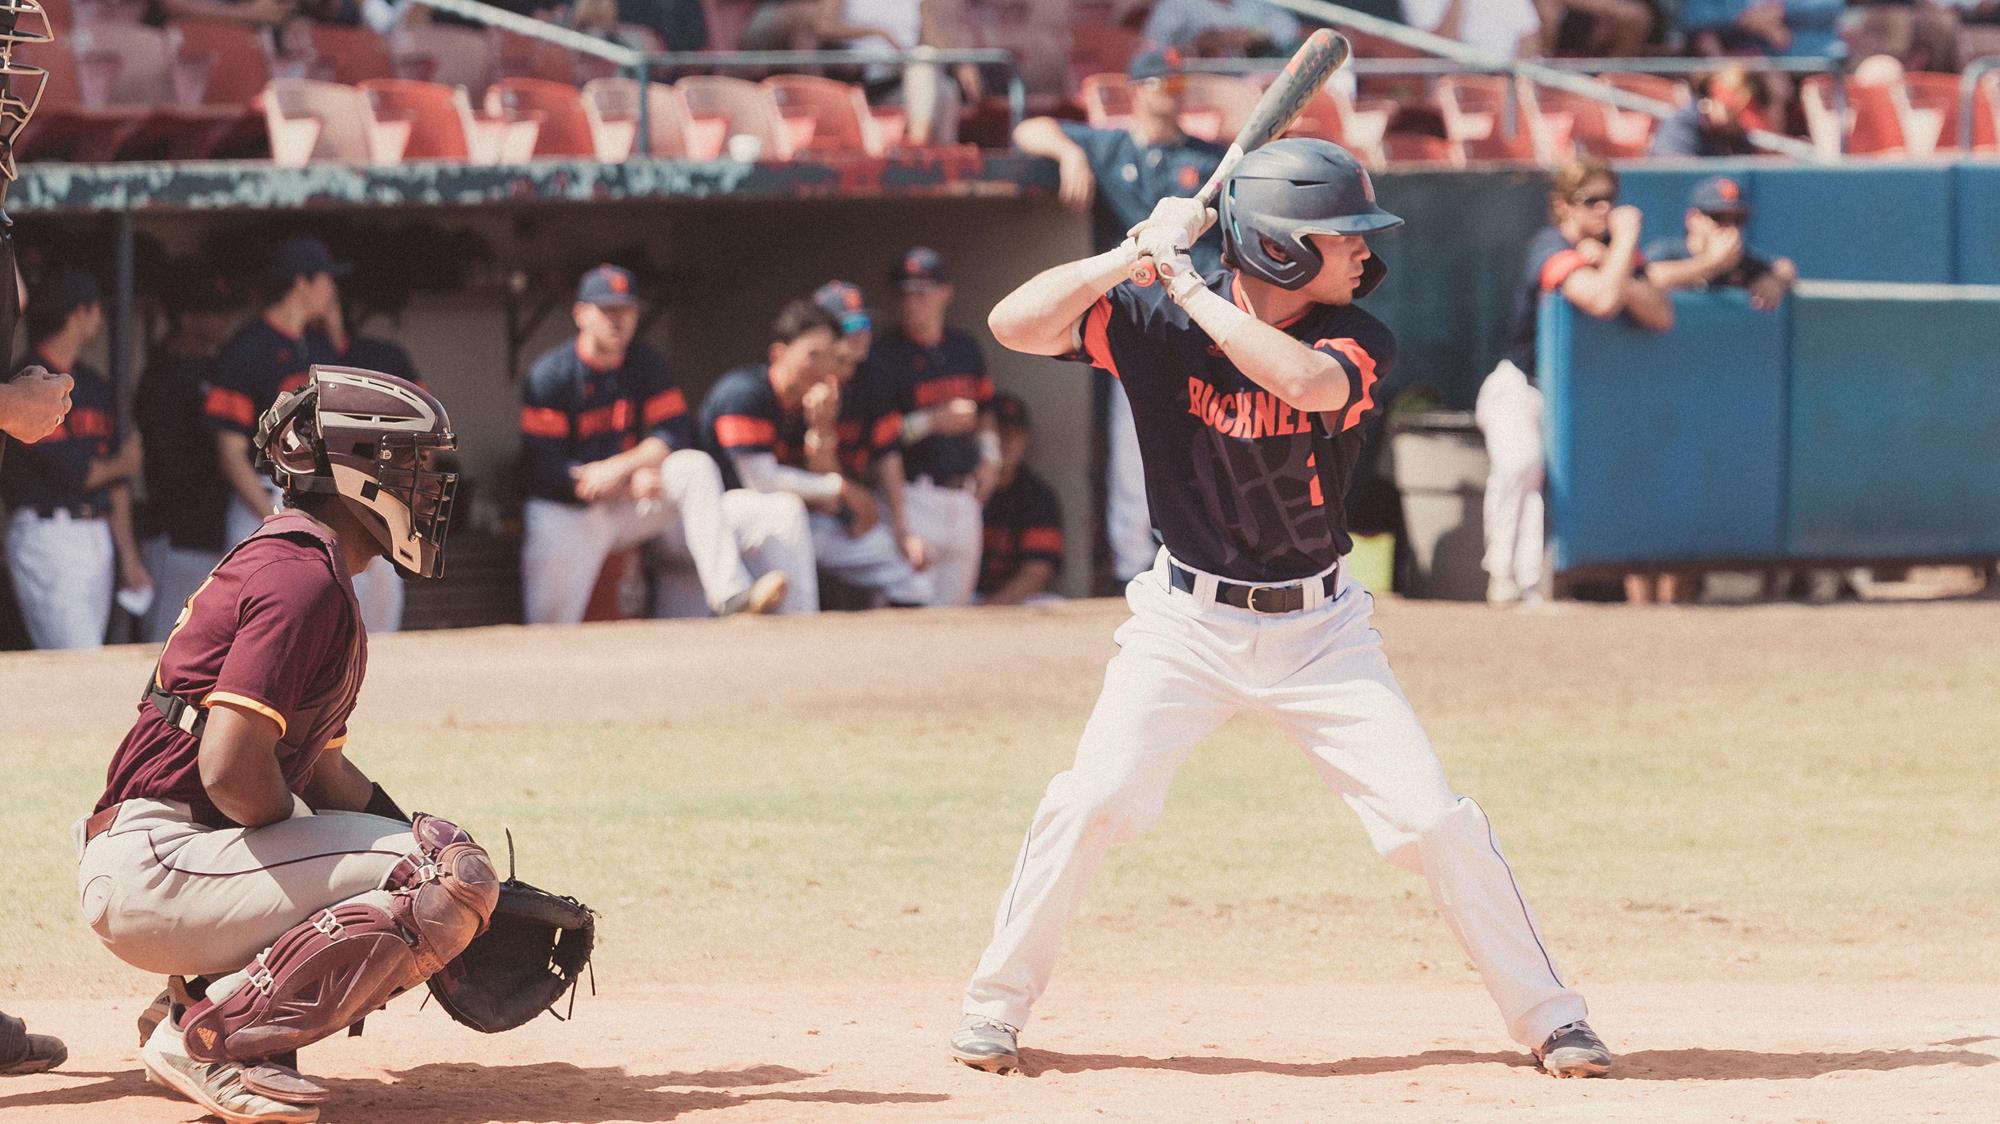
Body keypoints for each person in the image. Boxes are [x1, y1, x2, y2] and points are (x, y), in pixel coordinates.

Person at [951, 137, 1612, 1080]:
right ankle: (993, 1007)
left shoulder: (1356, 337)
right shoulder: (1149, 318)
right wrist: (1133, 254)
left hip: (1321, 631)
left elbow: (1301, 383)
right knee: (1092, 798)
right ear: (1276, 246)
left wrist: (1184, 287)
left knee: (1433, 822)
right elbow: (1014, 323)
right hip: (1185, 623)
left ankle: (1553, 1017)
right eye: (1340, 237)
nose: (1362, 253)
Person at [74, 366, 501, 1124]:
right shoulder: (301, 578)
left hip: (169, 859)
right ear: (357, 473)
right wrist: (440, 887)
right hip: (160, 862)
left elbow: (327, 774)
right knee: (443, 875)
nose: (431, 483)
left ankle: (201, 999)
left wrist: (429, 864)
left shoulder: (303, 562)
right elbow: (232, 771)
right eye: (414, 463)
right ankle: (206, 1037)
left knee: (439, 866)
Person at [1013, 46, 1227, 587]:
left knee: (1222, 436)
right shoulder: (1107, 147)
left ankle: (1216, 556)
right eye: (1161, 82)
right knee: (1133, 443)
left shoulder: (1208, 159)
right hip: (1139, 321)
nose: (1172, 92)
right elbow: (1027, 129)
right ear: (1135, 88)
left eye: (1179, 83)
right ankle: (1132, 566)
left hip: (1204, 314)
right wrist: (1069, 154)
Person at [520, 265, 805, 623]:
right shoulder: (552, 375)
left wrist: (625, 472)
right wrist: (605, 479)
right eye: (606, 310)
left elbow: (676, 433)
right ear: (581, 314)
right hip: (571, 509)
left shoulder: (646, 362)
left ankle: (731, 594)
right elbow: (541, 467)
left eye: (625, 310)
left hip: (632, 499)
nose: (617, 320)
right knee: (550, 626)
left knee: (692, 466)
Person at [1476, 157, 1673, 607]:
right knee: (1521, 463)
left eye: (1610, 199)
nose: (1604, 210)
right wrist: (1622, 246)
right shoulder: (1548, 245)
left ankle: (1531, 586)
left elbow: (1661, 315)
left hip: (1578, 399)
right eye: (1591, 200)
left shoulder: (1612, 254)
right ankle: (1504, 578)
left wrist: (1613, 257)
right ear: (1562, 206)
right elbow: (1603, 299)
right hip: (1520, 388)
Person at [699, 300, 931, 607]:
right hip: (713, 523)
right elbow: (761, 481)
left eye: (829, 357)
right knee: (785, 510)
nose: (822, 368)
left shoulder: (814, 402)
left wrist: (822, 430)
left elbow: (818, 479)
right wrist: (840, 489)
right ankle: (801, 624)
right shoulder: (745, 393)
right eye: (812, 355)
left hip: (794, 522)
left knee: (904, 569)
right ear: (779, 355)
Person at [1643, 174, 1802, 605]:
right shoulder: (1667, 252)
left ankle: (1680, 613)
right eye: (1716, 216)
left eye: (1735, 218)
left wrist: (1779, 280)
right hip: (1653, 401)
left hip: (1711, 406)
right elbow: (1648, 276)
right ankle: (1636, 618)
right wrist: (1709, 266)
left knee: (1690, 519)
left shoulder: (1745, 263)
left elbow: (1785, 267)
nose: (1726, 227)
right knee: (1646, 519)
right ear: (1693, 219)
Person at [4, 270, 148, 650]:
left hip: (95, 532)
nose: (99, 318)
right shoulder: (28, 376)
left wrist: (130, 556)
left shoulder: (94, 384)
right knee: (78, 655)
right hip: (48, 529)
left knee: (88, 658)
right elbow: (72, 472)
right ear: (77, 313)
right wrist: (121, 464)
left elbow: (114, 481)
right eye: (95, 309)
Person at [867, 248, 994, 606]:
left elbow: (985, 410)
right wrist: (931, 421)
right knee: (902, 609)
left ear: (944, 293)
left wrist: (991, 458)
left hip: (962, 496)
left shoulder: (964, 348)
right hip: (911, 494)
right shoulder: (884, 356)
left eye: (922, 293)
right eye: (905, 294)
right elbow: (879, 439)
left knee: (956, 614)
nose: (912, 303)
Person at [206, 237, 348, 549]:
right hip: (265, 501)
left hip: (319, 502)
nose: (332, 290)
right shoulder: (248, 347)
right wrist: (278, 518)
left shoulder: (319, 346)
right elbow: (230, 453)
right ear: (302, 283)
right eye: (326, 279)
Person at [135, 258, 240, 645]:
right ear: (187, 318)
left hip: (216, 530)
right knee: (166, 648)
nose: (221, 321)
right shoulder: (162, 376)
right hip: (175, 535)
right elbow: (169, 463)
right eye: (212, 312)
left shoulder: (218, 368)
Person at [808, 279, 927, 582]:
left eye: (864, 323)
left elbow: (888, 454)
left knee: (912, 578)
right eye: (849, 326)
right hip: (797, 510)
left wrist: (903, 531)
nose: (860, 334)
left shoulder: (872, 379)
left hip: (843, 511)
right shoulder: (804, 378)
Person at [976, 391, 1064, 605]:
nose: (1006, 442)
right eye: (999, 433)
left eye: (1013, 434)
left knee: (1053, 604)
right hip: (963, 596)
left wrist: (988, 609)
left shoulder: (1038, 496)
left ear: (1025, 439)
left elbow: (1037, 573)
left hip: (1009, 601)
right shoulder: (959, 487)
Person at [1648, 66, 1773, 159]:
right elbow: (1673, 173)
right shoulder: (1685, 122)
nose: (1740, 116)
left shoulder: (1739, 138)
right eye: (1734, 102)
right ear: (1716, 91)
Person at [1141, 0, 1300, 57]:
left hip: (1250, 80)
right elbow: (1150, 51)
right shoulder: (1176, 4)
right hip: (1196, 87)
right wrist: (1196, 48)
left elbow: (1288, 29)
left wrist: (1253, 36)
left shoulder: (1253, 4)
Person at [1400, 0, 1544, 56]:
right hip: (1458, 83)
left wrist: (1512, 83)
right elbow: (1440, 49)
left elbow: (1529, 35)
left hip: (1508, 81)